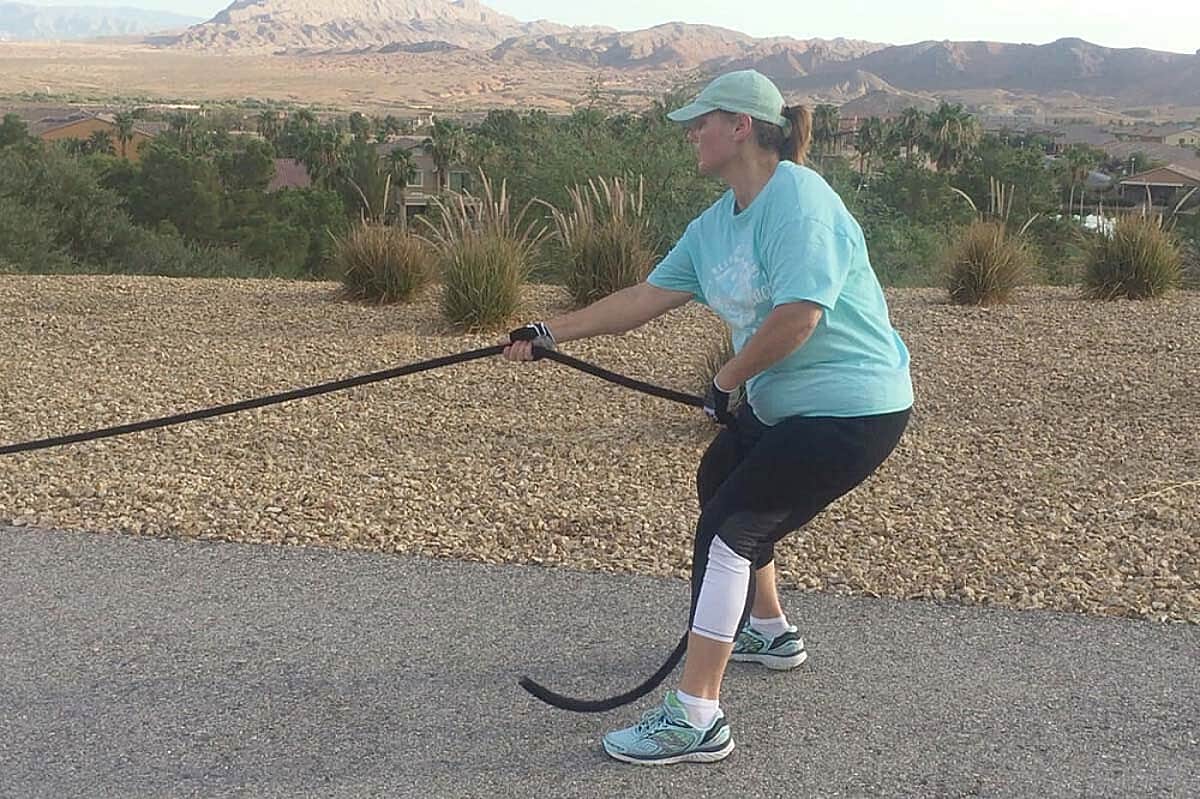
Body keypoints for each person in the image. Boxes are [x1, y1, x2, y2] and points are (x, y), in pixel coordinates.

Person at [503, 69, 914, 766]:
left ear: (743, 127)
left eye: (703, 122)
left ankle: (696, 716)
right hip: (788, 407)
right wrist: (550, 332)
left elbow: (800, 316)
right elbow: (640, 298)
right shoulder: (714, 226)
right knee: (720, 474)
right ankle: (767, 628)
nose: (692, 133)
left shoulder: (799, 199)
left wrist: (726, 378)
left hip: (853, 408)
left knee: (729, 530)